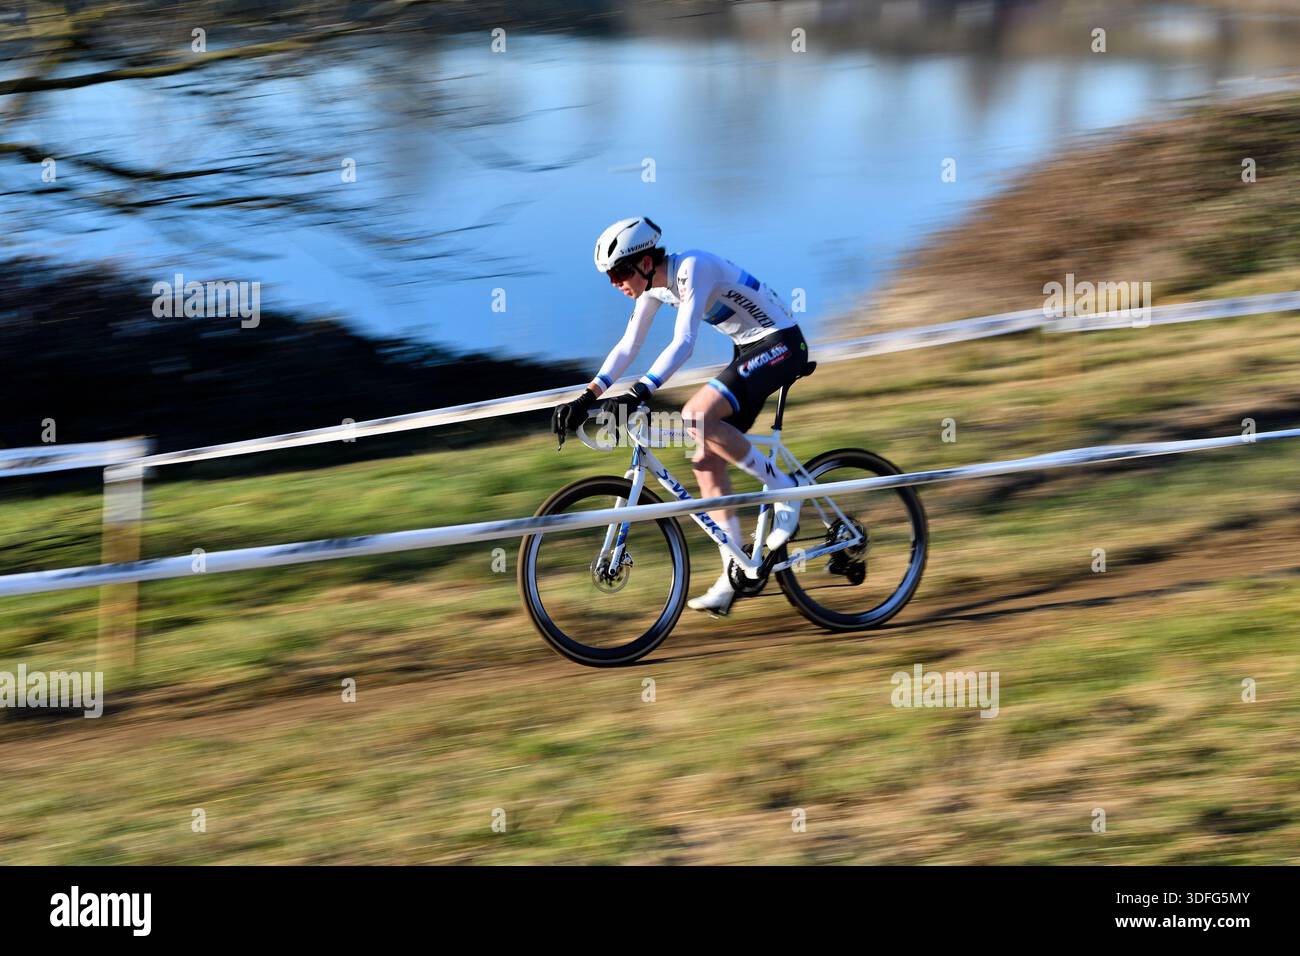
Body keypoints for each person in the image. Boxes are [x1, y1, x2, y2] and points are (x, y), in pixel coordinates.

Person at [550, 216, 812, 617]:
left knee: (694, 417)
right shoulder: (654, 289)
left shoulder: (692, 268)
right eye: (609, 277)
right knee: (704, 458)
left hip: (780, 343)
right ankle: (736, 570)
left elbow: (684, 342)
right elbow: (627, 346)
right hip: (748, 349)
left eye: (619, 272)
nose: (616, 283)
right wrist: (587, 396)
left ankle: (786, 490)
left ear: (644, 262)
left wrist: (641, 391)